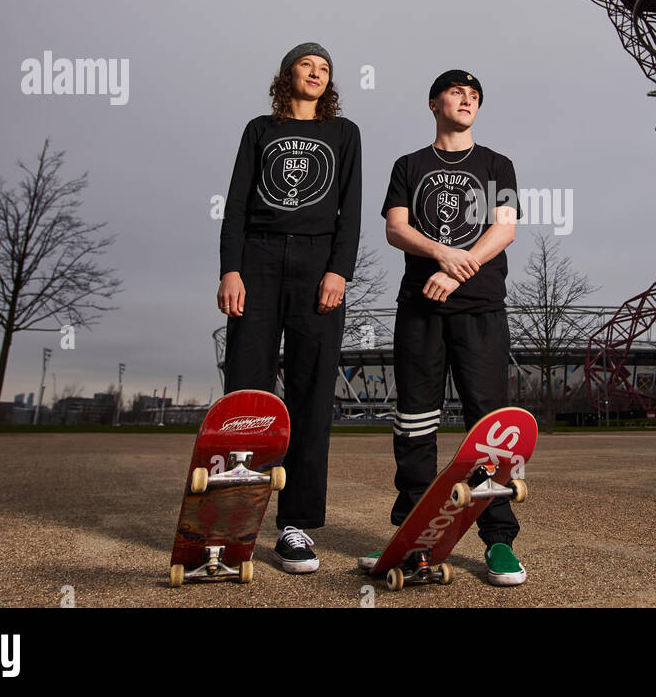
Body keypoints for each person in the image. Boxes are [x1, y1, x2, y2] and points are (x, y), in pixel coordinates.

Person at [361, 69, 526, 586]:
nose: (467, 99)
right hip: (419, 308)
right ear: (433, 103)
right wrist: (441, 255)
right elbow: (395, 228)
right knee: (415, 422)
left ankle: (499, 541)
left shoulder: (497, 164)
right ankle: (415, 537)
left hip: (479, 308)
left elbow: (505, 229)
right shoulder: (409, 165)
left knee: (491, 429)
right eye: (457, 92)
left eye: (474, 95)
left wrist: (457, 273)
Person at [217, 42, 361, 573]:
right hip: (256, 260)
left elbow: (352, 207)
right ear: (288, 75)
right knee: (247, 388)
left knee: (312, 390)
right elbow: (235, 202)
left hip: (317, 264)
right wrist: (230, 269)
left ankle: (296, 525)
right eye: (308, 66)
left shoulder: (345, 134)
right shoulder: (259, 129)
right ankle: (234, 513)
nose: (317, 74)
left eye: (325, 69)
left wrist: (338, 271)